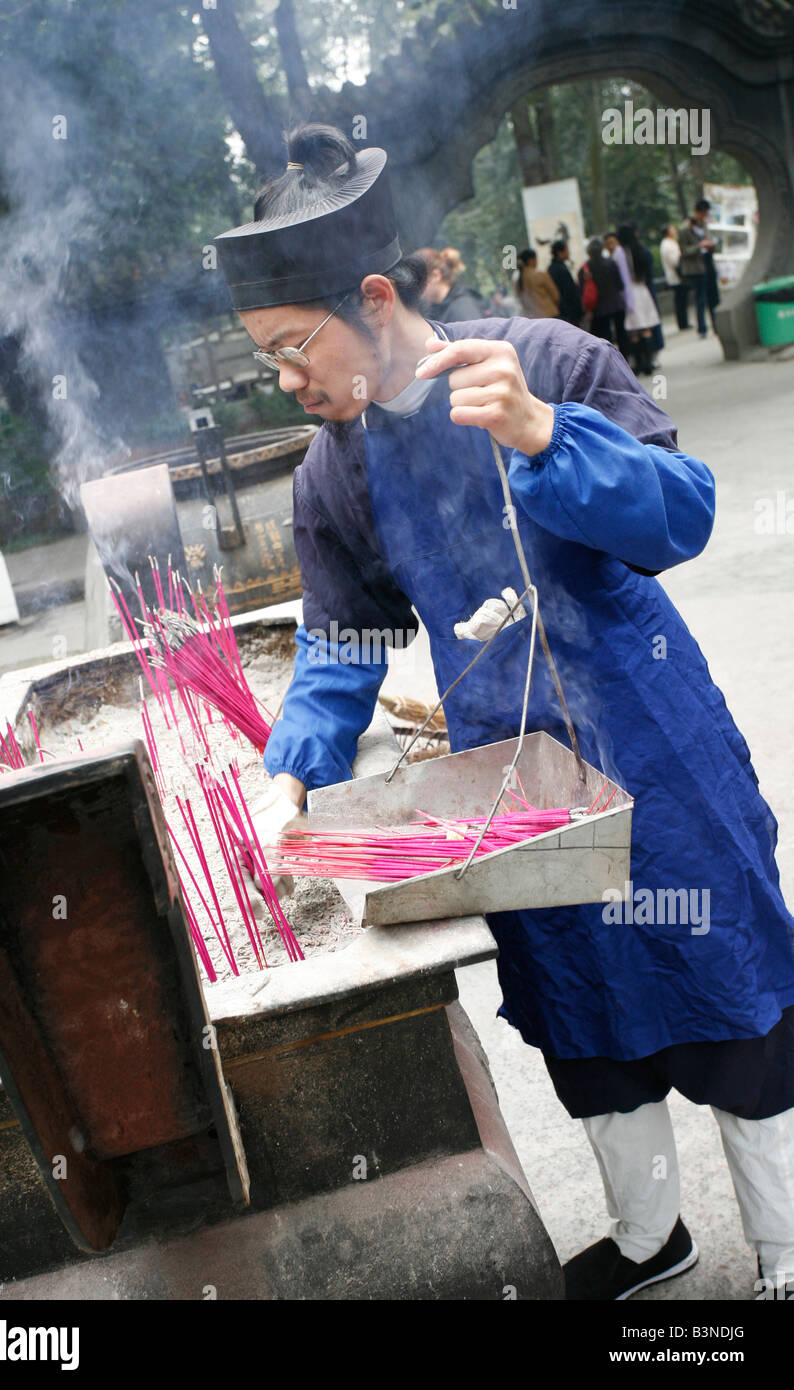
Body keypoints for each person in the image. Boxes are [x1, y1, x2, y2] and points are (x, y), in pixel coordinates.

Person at [216, 121, 794, 1302]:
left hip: (653, 748)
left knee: (728, 991)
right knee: (584, 1013)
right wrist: (293, 766)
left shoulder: (546, 359)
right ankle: (651, 1244)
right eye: (266, 357)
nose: (284, 380)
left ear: (373, 298)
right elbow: (344, 636)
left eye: (290, 347)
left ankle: (782, 1254)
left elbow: (677, 514)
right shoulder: (334, 470)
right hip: (510, 785)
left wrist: (539, 433)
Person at [616, 223, 661, 376]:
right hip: (643, 290)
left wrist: (626, 301)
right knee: (646, 329)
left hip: (631, 293)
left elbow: (623, 278)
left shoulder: (622, 252)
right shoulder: (641, 250)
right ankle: (649, 362)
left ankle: (640, 363)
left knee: (634, 331)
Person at [414, 245, 486, 323]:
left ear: (435, 276)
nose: (414, 287)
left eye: (417, 279)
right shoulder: (436, 307)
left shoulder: (463, 309)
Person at [579, 238, 626, 349]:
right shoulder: (610, 263)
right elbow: (620, 284)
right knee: (621, 333)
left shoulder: (585, 269)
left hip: (599, 308)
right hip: (616, 303)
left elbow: (582, 289)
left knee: (605, 337)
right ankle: (625, 357)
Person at [678, 199, 714, 338]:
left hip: (707, 262)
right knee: (700, 299)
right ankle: (702, 328)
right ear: (699, 212)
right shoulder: (685, 228)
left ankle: (716, 325)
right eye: (704, 213)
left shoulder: (704, 225)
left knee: (712, 297)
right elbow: (684, 250)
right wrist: (699, 246)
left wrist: (710, 246)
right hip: (695, 268)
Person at [602, 232, 634, 356]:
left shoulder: (618, 254)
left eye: (612, 243)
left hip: (622, 298)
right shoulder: (612, 258)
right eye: (608, 244)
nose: (610, 246)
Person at [661, 222, 691, 330]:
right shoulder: (667, 244)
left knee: (682, 300)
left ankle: (684, 322)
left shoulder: (671, 242)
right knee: (680, 301)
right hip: (676, 276)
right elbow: (674, 261)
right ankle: (683, 323)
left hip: (677, 276)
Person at [514, 248, 560, 318]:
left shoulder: (516, 279)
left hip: (531, 318)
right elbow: (555, 295)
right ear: (531, 260)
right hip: (548, 314)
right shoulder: (539, 274)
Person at [547, 240, 583, 326]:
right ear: (560, 252)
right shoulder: (561, 269)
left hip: (560, 312)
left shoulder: (551, 268)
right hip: (568, 312)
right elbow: (570, 292)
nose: (569, 252)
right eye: (567, 250)